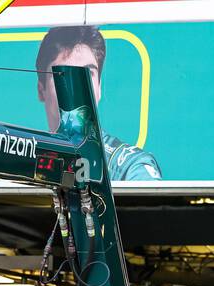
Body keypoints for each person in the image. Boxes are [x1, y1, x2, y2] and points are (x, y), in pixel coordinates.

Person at [35, 25, 162, 181]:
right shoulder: (22, 162)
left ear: (99, 88)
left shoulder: (129, 167)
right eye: (63, 75)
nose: (77, 87)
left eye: (88, 74)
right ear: (42, 90)